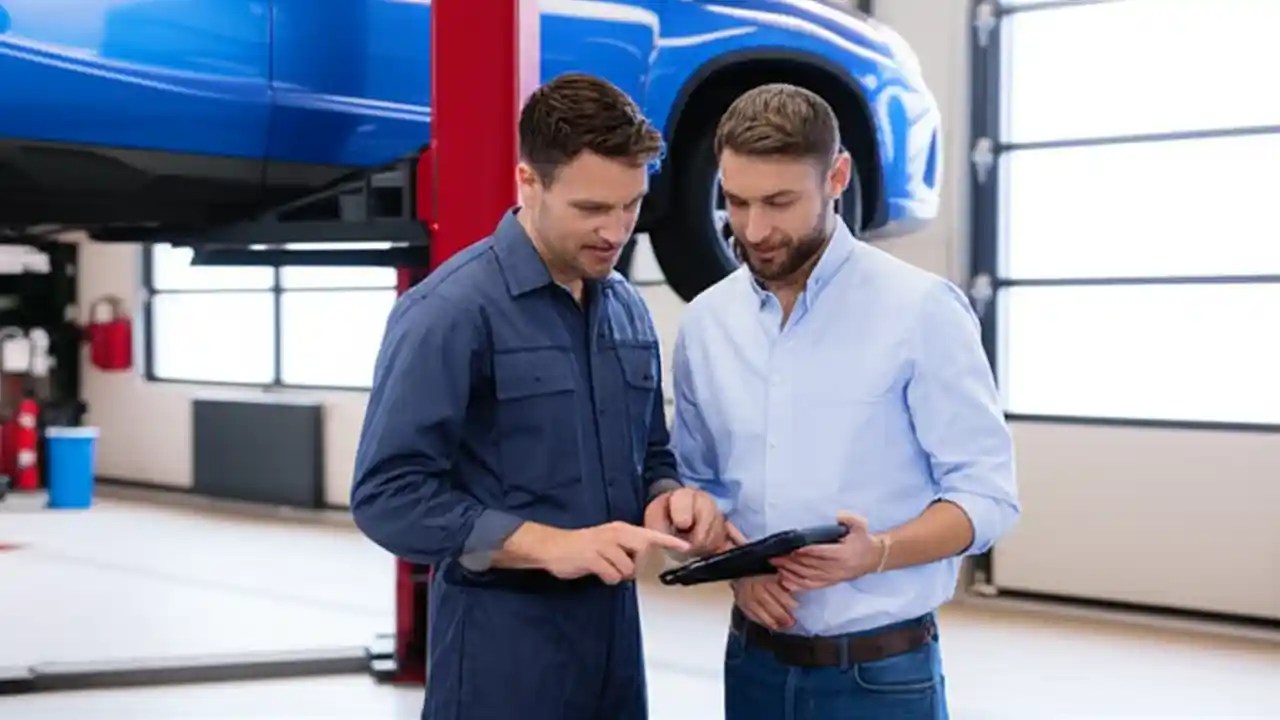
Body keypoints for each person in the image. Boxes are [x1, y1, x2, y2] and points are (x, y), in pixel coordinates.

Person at [350, 73, 729, 720]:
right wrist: (548, 544)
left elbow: (651, 454)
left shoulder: (627, 312)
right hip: (502, 657)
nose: (615, 231)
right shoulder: (450, 311)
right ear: (529, 182)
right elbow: (387, 497)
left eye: (630, 205)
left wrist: (667, 499)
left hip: (614, 656)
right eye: (590, 209)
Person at [670, 83, 1021, 719]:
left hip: (881, 677)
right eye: (737, 201)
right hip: (751, 666)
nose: (754, 230)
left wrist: (877, 551)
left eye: (780, 202)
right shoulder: (705, 324)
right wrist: (731, 561)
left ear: (836, 176)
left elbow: (988, 499)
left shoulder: (921, 311)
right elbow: (700, 485)